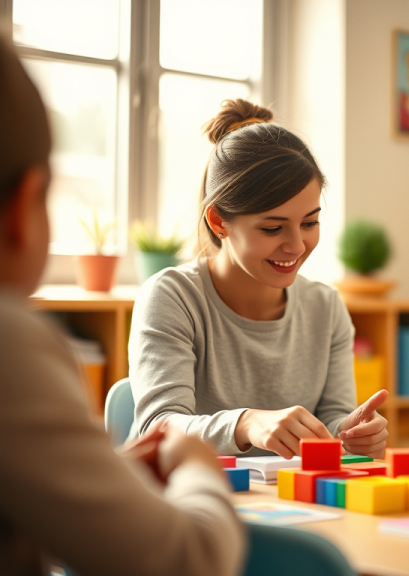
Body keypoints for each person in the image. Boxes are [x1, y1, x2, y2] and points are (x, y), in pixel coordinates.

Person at [0, 35, 244, 575]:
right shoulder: (11, 344)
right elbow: (191, 560)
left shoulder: (322, 304)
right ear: (25, 207)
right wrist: (199, 466)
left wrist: (105, 475)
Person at [129, 98, 388, 459]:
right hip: (191, 501)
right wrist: (246, 423)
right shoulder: (172, 298)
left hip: (289, 509)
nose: (297, 245)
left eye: (310, 222)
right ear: (218, 222)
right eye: (272, 227)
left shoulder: (325, 308)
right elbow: (158, 428)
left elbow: (331, 422)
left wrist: (349, 434)